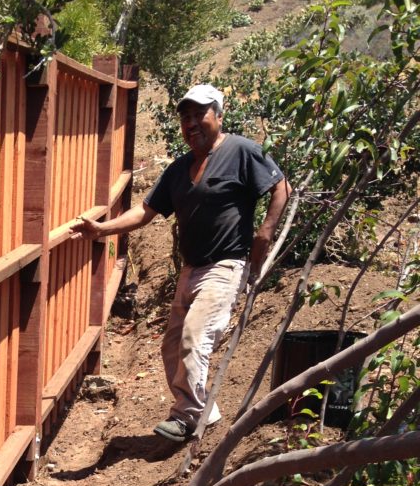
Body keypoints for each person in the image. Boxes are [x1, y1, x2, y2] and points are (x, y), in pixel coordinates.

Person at [70, 83, 291, 442]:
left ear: (219, 115)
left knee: (194, 337)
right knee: (172, 346)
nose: (191, 123)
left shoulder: (241, 151)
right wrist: (101, 229)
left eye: (199, 114)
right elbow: (145, 212)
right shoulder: (179, 169)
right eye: (186, 117)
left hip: (225, 265)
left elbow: (281, 186)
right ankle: (204, 413)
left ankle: (186, 417)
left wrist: (264, 233)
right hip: (190, 269)